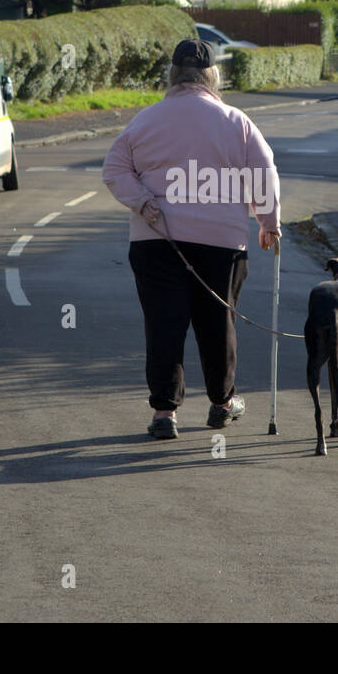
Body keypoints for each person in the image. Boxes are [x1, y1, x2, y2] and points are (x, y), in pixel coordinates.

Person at [103, 38, 281, 439]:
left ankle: (164, 413)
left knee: (164, 323)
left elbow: (114, 169)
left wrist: (144, 203)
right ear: (212, 76)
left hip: (156, 240)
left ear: (172, 75)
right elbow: (263, 171)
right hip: (222, 242)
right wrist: (269, 222)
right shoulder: (236, 122)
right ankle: (222, 402)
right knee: (218, 321)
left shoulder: (145, 121)